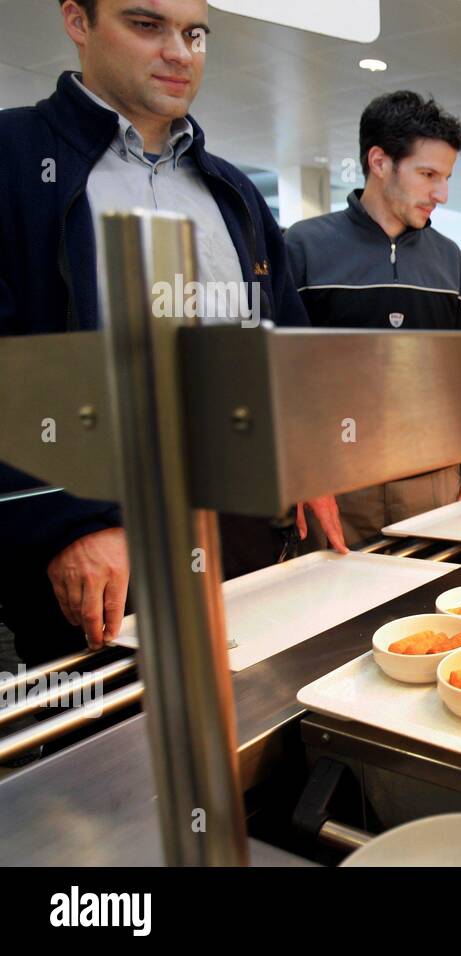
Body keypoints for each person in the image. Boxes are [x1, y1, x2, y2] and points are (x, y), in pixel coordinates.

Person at [0, 0, 343, 665]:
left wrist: (307, 462)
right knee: (116, 757)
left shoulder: (234, 192)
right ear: (78, 22)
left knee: (260, 731)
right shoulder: (14, 162)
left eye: (194, 33)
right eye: (147, 25)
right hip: (102, 539)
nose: (181, 53)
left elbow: (283, 347)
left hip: (241, 532)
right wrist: (65, 522)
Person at [286, 92, 461, 529]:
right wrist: (301, 468)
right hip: (336, 487)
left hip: (433, 482)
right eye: (428, 174)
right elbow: (280, 376)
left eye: (446, 176)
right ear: (379, 162)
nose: (442, 192)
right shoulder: (302, 247)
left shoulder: (449, 259)